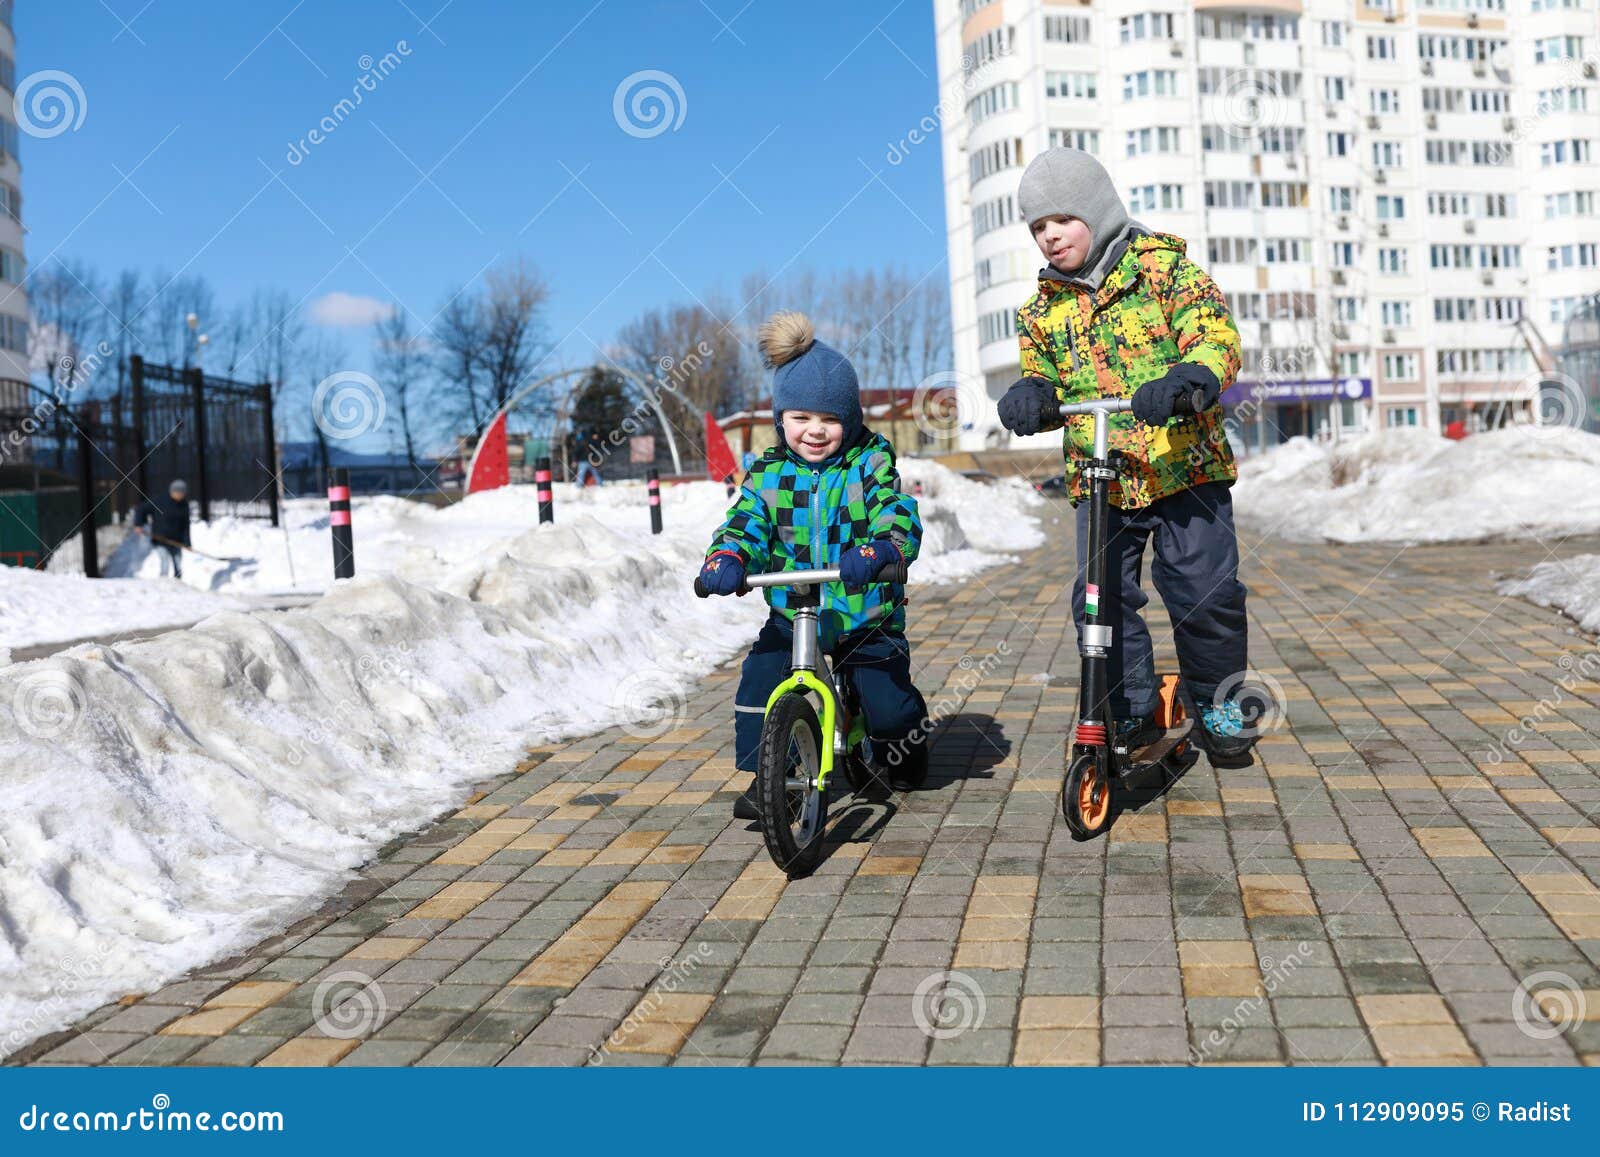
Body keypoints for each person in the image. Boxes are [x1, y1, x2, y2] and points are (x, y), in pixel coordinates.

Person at [995, 147, 1257, 767]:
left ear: (1097, 210)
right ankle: (1131, 707)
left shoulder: (1164, 271)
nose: (1049, 236)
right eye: (1037, 226)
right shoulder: (1041, 309)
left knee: (1205, 595)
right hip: (1102, 474)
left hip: (1183, 468)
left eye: (1061, 218)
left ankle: (1219, 706)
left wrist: (1191, 376)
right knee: (1100, 599)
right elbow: (1043, 374)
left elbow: (1215, 334)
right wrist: (1034, 394)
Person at [700, 312, 929, 818]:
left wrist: (882, 550)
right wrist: (729, 554)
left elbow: (895, 511)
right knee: (760, 683)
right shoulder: (769, 472)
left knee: (889, 707)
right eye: (801, 418)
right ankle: (772, 776)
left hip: (866, 613)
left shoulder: (868, 462)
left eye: (830, 419)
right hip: (795, 611)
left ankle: (904, 741)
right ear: (781, 419)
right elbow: (747, 521)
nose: (815, 431)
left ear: (850, 420)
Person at [133, 479, 192, 580]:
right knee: (164, 561)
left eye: (182, 493)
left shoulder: (184, 505)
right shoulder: (159, 501)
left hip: (176, 541)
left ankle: (179, 585)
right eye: (179, 493)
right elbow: (141, 509)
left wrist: (187, 543)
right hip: (160, 539)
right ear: (173, 491)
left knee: (178, 563)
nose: (181, 495)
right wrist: (139, 524)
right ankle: (163, 585)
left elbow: (185, 525)